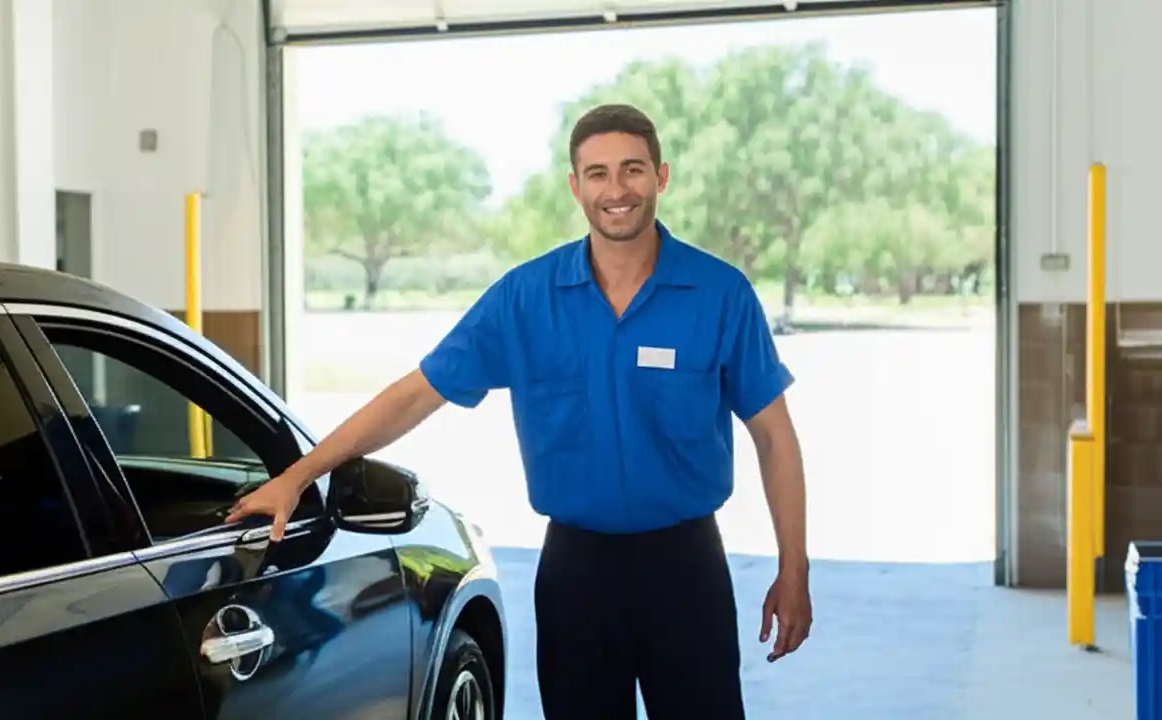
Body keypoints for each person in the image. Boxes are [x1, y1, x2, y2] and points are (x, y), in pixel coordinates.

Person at [227, 103, 812, 719]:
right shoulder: (525, 299)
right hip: (577, 573)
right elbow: (414, 395)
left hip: (687, 569)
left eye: (633, 170)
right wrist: (298, 476)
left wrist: (793, 568)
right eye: (598, 173)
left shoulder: (719, 295)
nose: (617, 190)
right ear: (576, 185)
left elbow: (774, 437)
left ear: (661, 177)